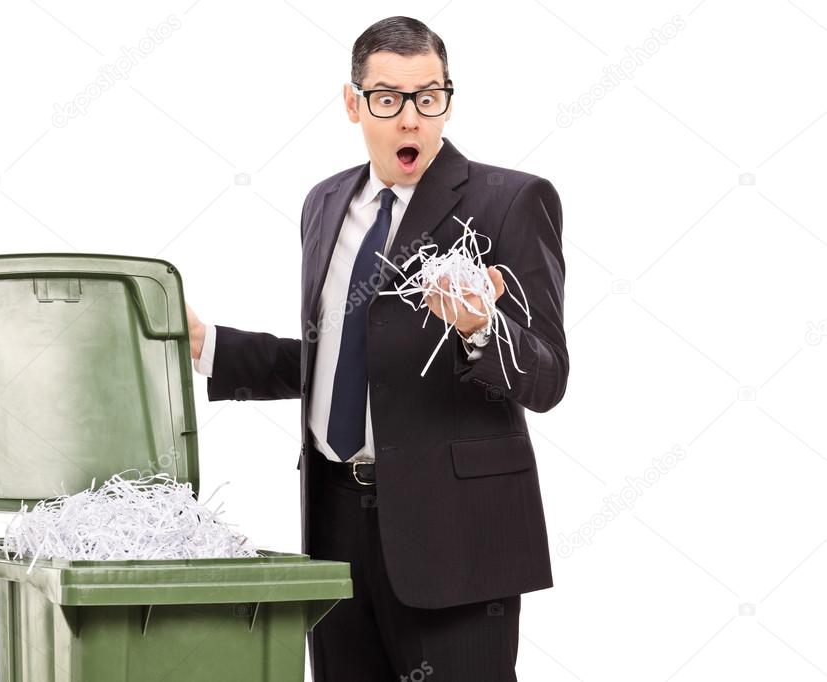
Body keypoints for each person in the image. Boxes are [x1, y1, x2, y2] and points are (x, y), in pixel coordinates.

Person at [186, 15, 568, 681]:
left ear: (447, 97)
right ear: (352, 102)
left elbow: (548, 376)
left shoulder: (510, 201)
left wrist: (481, 328)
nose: (410, 120)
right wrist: (207, 345)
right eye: (387, 99)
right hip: (334, 525)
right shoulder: (325, 203)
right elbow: (336, 362)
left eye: (427, 97)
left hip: (455, 539)